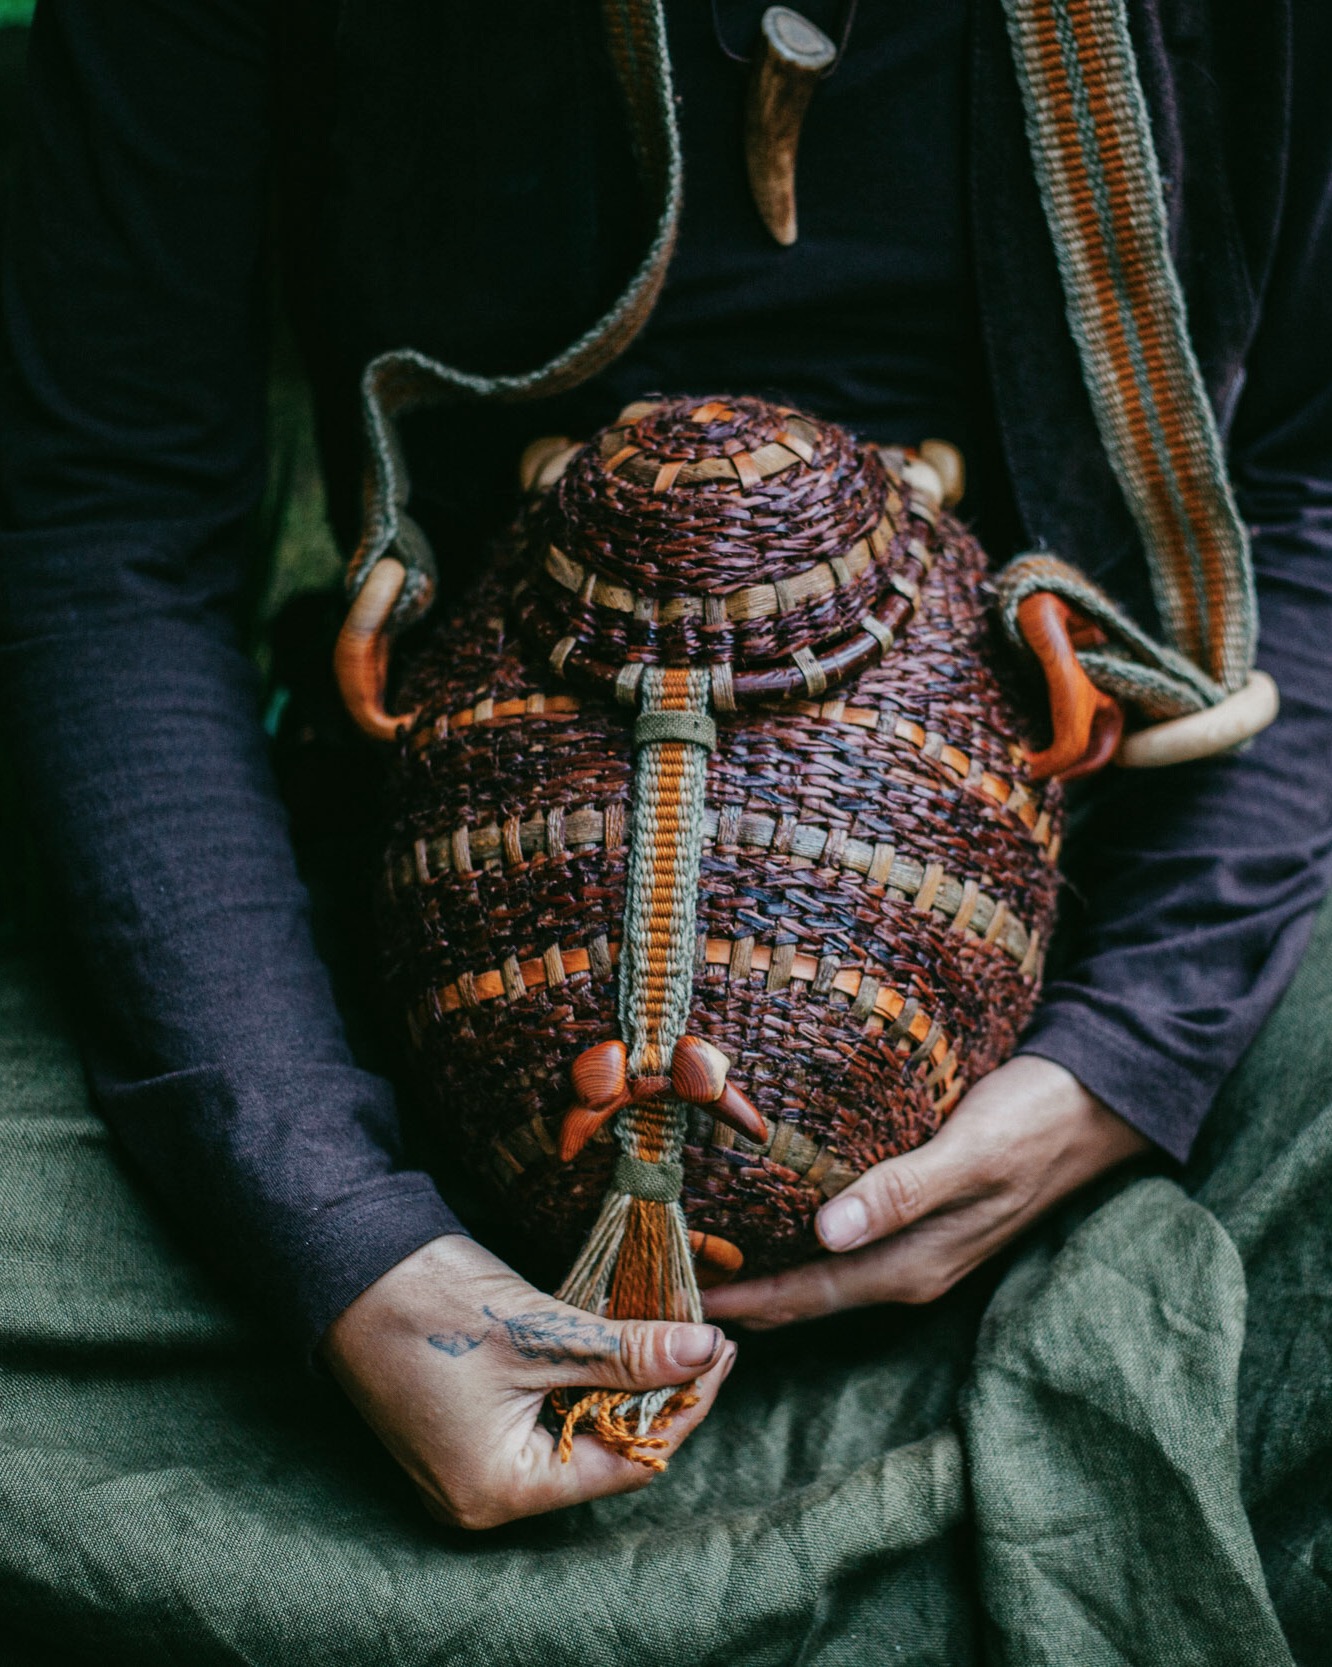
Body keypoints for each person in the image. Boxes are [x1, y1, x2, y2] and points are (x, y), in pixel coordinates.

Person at [1, 0, 1329, 1535]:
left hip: (1120, 842)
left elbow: (1299, 472)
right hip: (387, 899)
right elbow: (107, 525)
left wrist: (1128, 1053)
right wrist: (336, 1234)